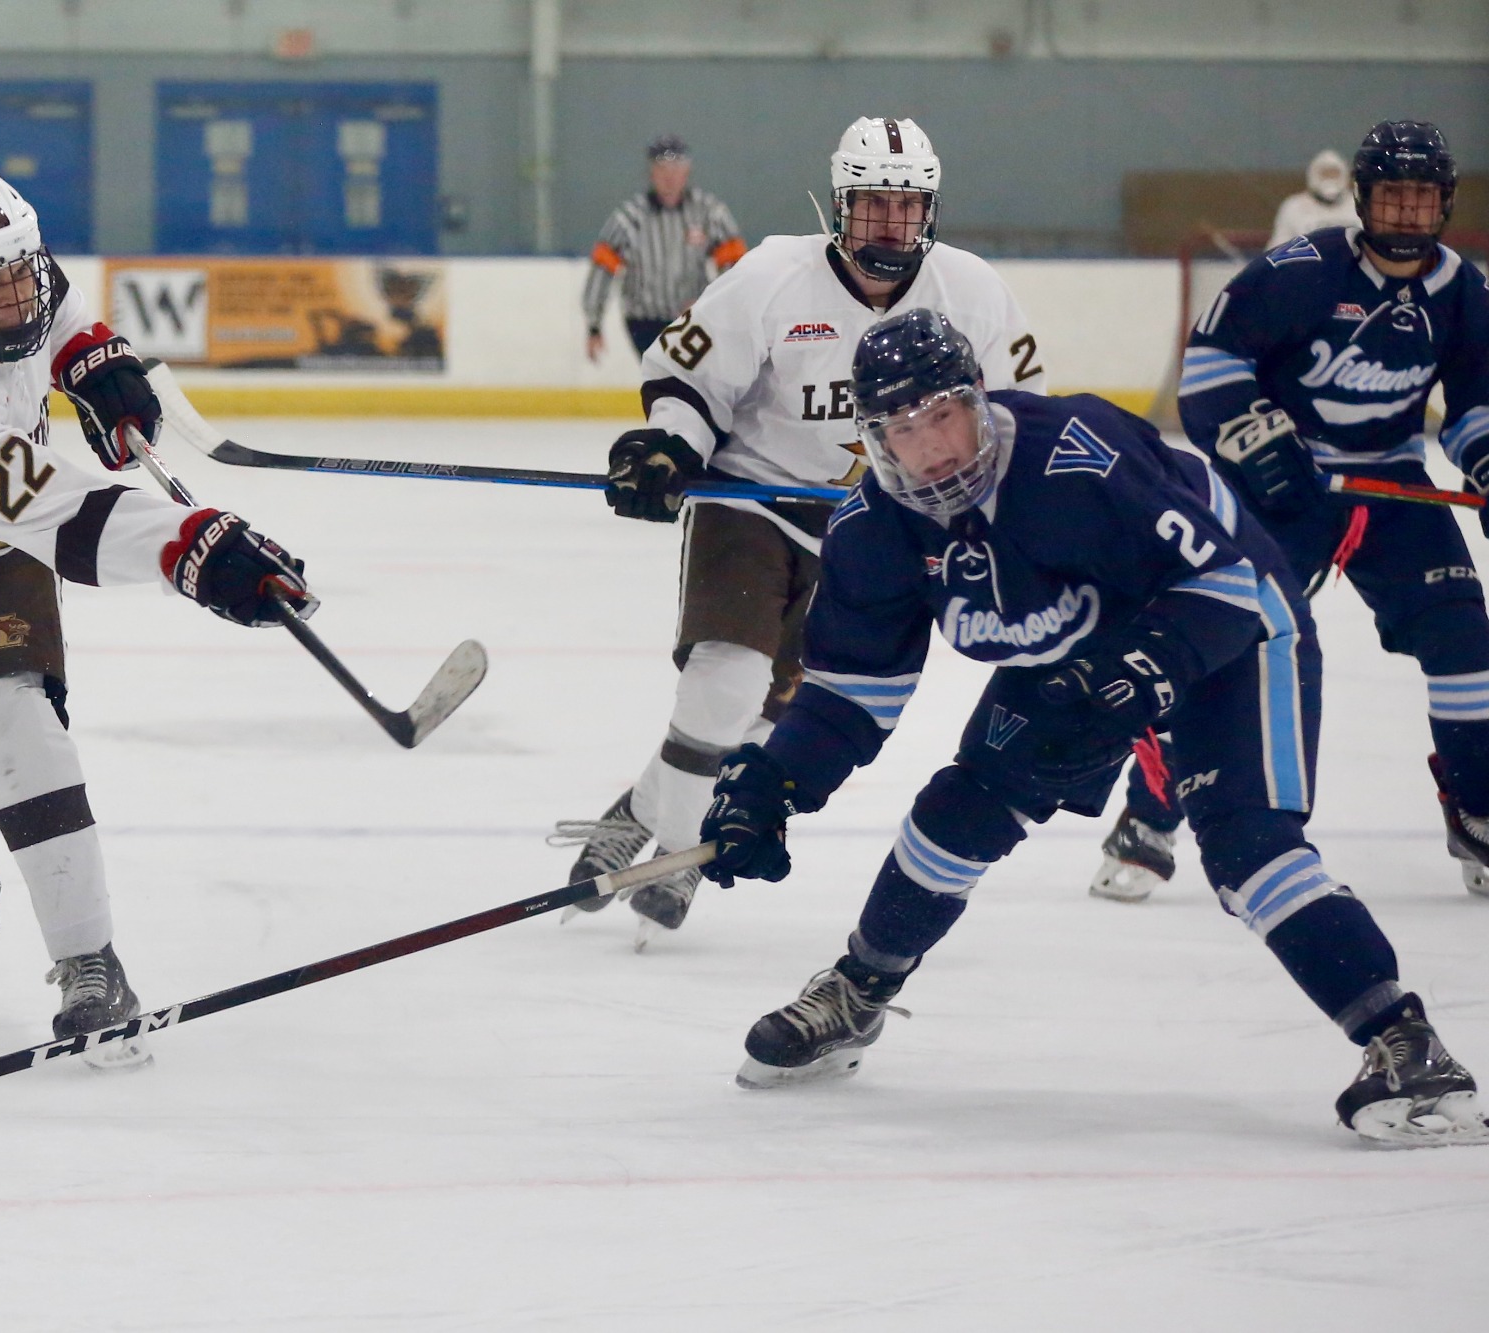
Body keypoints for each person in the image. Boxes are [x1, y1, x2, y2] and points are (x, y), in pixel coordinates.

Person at [695, 308, 1486, 1146]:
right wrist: (775, 783)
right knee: (959, 810)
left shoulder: (1078, 453)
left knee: (1248, 846)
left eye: (944, 415)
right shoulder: (872, 530)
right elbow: (853, 691)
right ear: (874, 437)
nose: (936, 447)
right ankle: (858, 992)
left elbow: (1224, 585)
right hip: (1072, 658)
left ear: (976, 398)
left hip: (1231, 627)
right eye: (904, 428)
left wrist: (1144, 668)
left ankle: (1406, 1043)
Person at [0, 164, 315, 1064]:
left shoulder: (4, 282)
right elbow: (68, 516)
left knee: (15, 729)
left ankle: (92, 965)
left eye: (19, 274)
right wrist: (194, 548)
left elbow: (59, 305)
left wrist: (94, 358)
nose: (11, 302)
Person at [552, 116, 1044, 947]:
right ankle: (676, 852)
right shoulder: (774, 274)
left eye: (908, 206)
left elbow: (1017, 414)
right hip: (752, 502)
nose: (890, 224)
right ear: (839, 204)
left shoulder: (973, 292)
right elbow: (688, 374)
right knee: (724, 682)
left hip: (881, 530)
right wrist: (668, 445)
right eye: (873, 205)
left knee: (780, 716)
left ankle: (644, 807)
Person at [1090, 119, 1489, 904]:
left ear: (1442, 204)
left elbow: (1476, 403)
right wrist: (1257, 439)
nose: (1407, 215)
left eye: (1423, 199)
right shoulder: (1299, 271)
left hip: (1395, 487)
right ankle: (1148, 821)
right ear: (1365, 199)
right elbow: (1211, 362)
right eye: (1393, 197)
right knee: (1219, 640)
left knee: (1468, 647)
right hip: (1288, 491)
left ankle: (1478, 812)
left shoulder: (1464, 291)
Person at [581, 135, 747, 363]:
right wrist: (594, 325)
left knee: (693, 384)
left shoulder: (708, 212)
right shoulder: (630, 218)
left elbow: (735, 267)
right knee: (665, 380)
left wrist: (720, 306)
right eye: (662, 168)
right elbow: (602, 270)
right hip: (644, 320)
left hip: (694, 317)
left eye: (676, 167)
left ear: (687, 171)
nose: (669, 176)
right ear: (651, 172)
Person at [1269, 149, 1359, 249]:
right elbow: (1278, 248)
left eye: (1334, 174)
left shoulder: (1360, 204)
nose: (1330, 180)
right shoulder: (1293, 207)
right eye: (1325, 174)